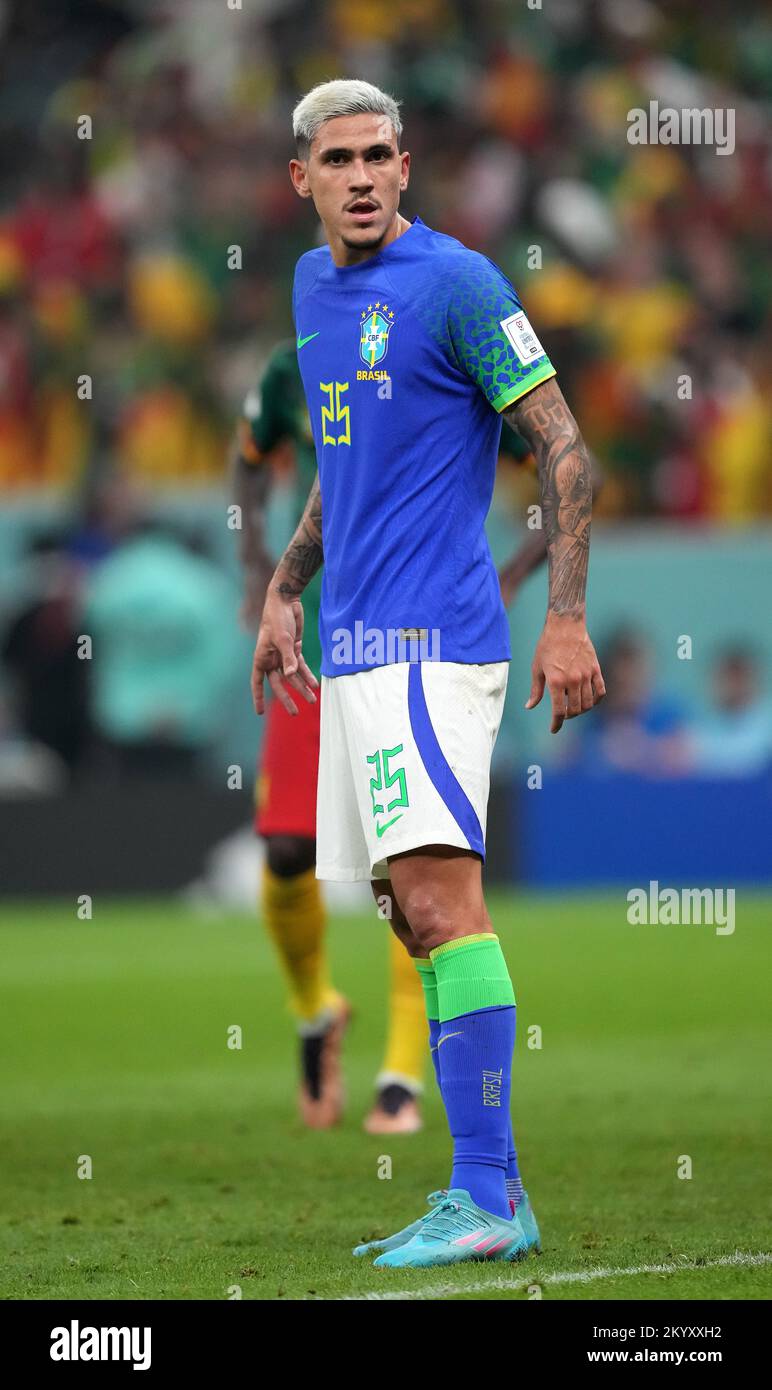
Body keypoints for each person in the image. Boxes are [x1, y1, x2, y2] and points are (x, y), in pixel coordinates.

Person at [250, 79, 605, 1269]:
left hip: (431, 646)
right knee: (407, 912)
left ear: (406, 167)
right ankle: (488, 1189)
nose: (359, 175)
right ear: (299, 178)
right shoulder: (310, 291)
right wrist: (286, 586)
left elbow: (564, 445)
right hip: (351, 648)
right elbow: (338, 465)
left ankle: (486, 1192)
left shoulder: (457, 285)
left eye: (378, 155)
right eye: (335, 159)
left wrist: (564, 616)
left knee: (446, 908)